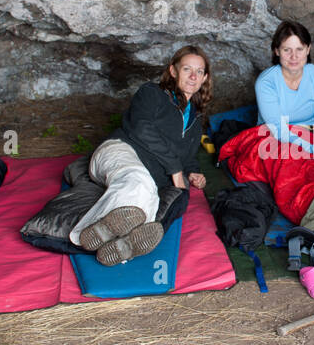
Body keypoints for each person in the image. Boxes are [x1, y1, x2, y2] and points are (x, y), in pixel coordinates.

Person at [70, 46, 210, 265]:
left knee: (150, 198)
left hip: (152, 174)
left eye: (199, 71)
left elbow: (188, 155)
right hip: (120, 151)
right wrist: (175, 169)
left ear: (205, 77)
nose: (193, 76)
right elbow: (142, 128)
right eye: (187, 69)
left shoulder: (196, 119)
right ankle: (84, 234)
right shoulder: (152, 93)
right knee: (138, 181)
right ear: (173, 71)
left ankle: (119, 245)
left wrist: (193, 172)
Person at [255, 20, 314, 160]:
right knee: (291, 167)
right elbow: (278, 129)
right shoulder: (265, 82)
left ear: (308, 49)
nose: (294, 56)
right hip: (275, 137)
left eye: (299, 49)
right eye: (287, 50)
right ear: (277, 51)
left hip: (311, 135)